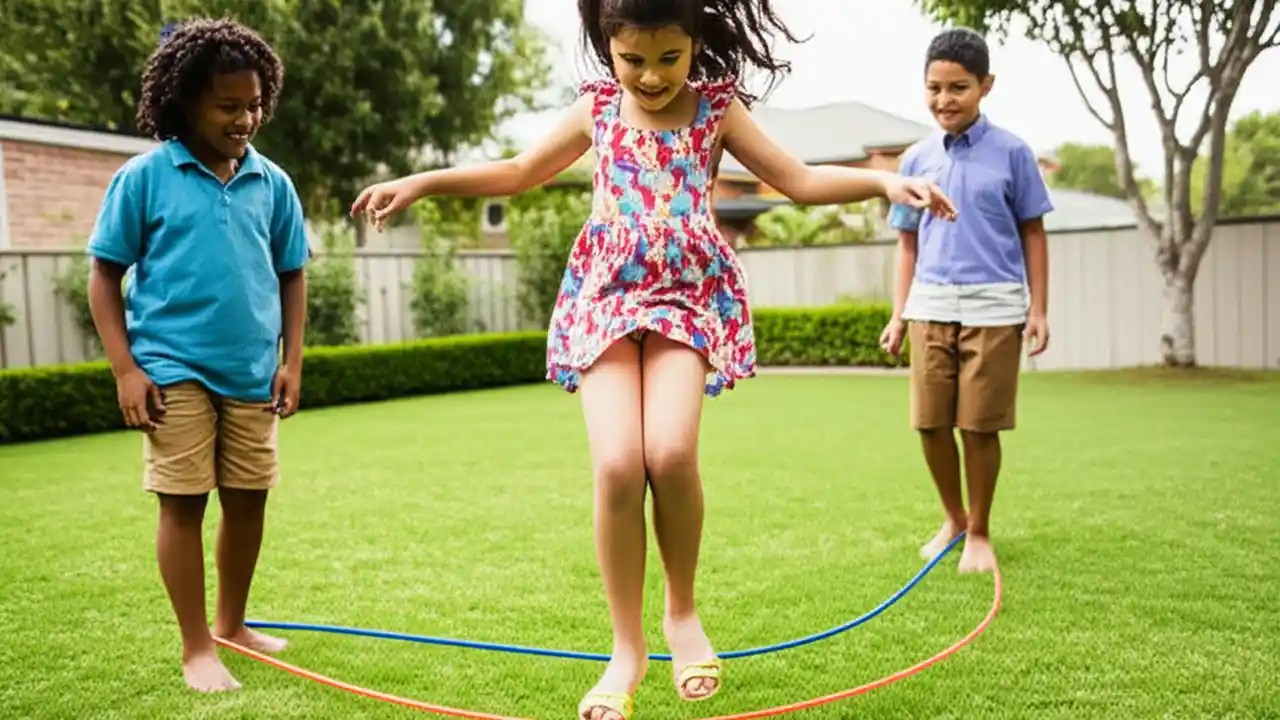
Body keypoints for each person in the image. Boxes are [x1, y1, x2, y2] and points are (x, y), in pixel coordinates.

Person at [352, 1, 956, 716]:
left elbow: (798, 180)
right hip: (607, 295)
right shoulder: (597, 109)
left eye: (669, 58)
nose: (651, 76)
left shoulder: (716, 110)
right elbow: (518, 170)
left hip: (685, 297)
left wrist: (885, 183)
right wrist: (421, 181)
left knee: (668, 455)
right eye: (633, 59)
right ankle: (625, 648)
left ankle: (681, 611)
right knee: (616, 465)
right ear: (608, 47)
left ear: (694, 44)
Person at [85, 18, 310, 693]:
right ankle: (195, 648)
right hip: (171, 370)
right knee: (182, 504)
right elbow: (103, 274)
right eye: (228, 105)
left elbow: (293, 272)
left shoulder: (273, 184)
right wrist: (126, 368)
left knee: (248, 500)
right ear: (184, 102)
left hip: (248, 373)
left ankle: (232, 624)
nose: (246, 118)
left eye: (254, 102)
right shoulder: (144, 178)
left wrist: (292, 360)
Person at [880, 27, 1052, 575]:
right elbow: (907, 243)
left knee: (979, 426)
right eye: (934, 88)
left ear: (985, 86)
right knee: (930, 422)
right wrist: (897, 312)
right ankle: (953, 518)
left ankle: (979, 532)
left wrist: (1039, 310)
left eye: (958, 88)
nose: (944, 100)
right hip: (929, 304)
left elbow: (1034, 233)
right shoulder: (915, 160)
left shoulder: (1014, 154)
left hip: (995, 307)